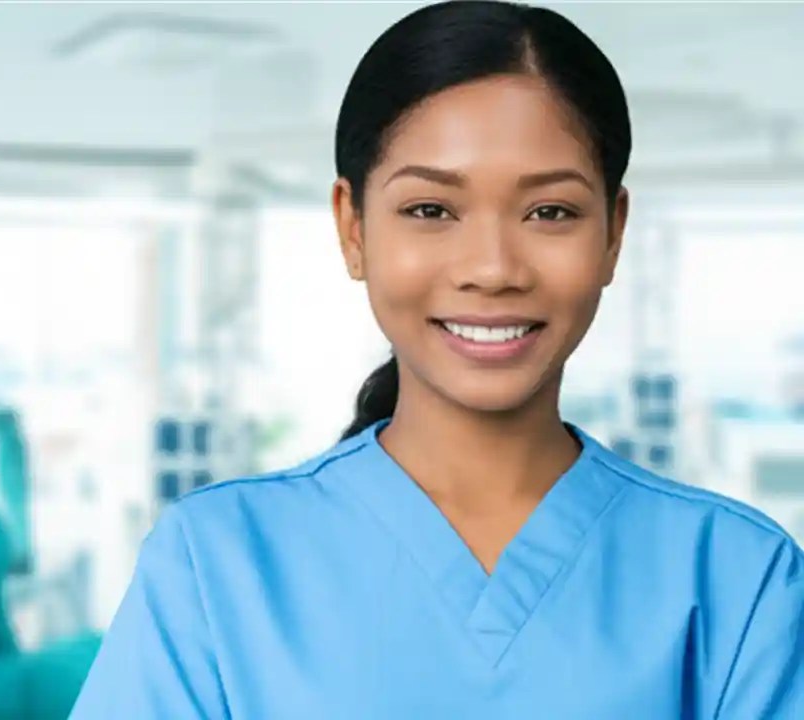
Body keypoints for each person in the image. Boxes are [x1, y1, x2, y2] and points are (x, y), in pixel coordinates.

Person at [68, 1, 804, 717]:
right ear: (351, 227)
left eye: (550, 212)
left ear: (613, 233)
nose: (491, 268)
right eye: (430, 210)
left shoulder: (738, 578)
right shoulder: (215, 563)